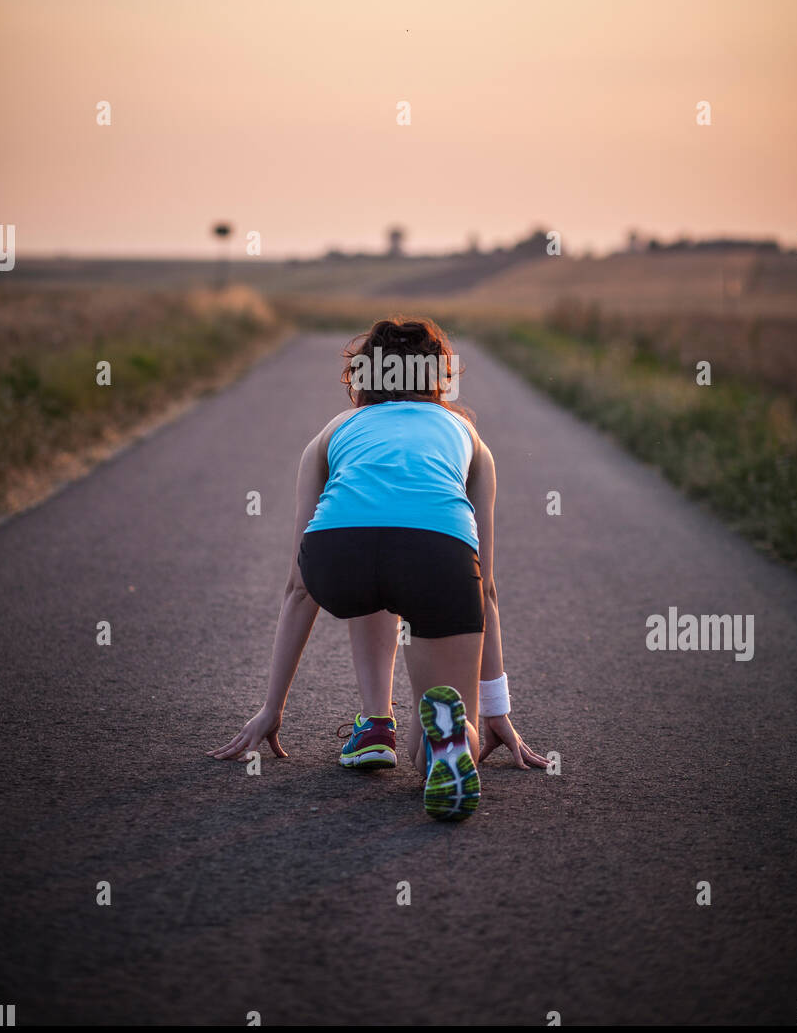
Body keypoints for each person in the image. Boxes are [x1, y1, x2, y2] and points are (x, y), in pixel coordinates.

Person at [208, 317, 547, 820]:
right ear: (439, 376)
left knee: (372, 573)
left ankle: (375, 724)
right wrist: (495, 709)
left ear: (363, 376)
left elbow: (298, 589)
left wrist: (271, 708)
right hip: (436, 560)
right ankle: (447, 742)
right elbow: (487, 592)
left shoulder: (333, 431)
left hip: (338, 557)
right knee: (443, 726)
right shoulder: (468, 437)